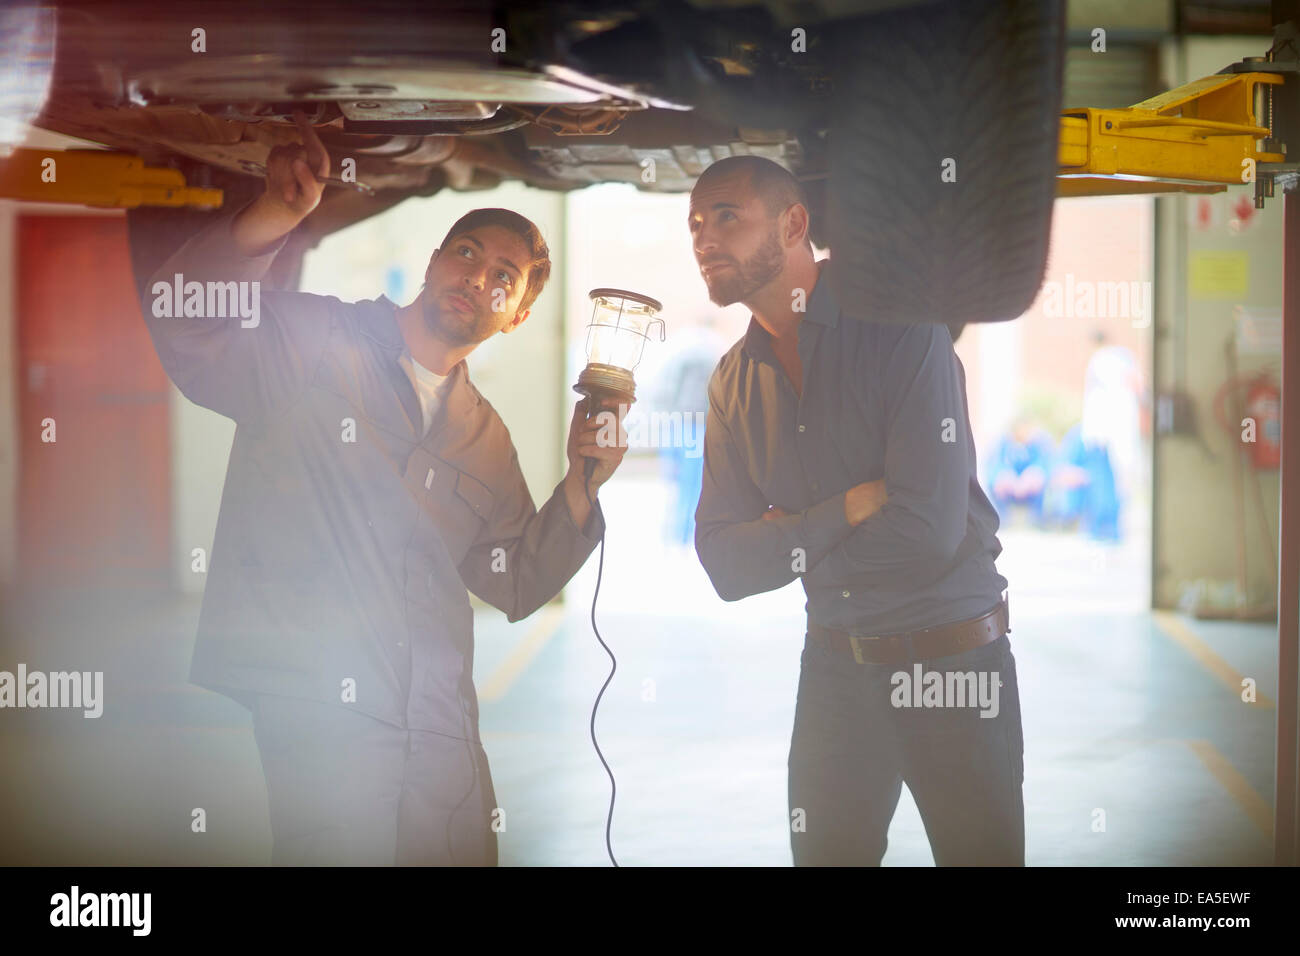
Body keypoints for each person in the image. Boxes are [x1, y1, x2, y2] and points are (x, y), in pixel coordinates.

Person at [139, 114, 628, 865]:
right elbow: (186, 321)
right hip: (318, 702)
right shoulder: (315, 342)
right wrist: (276, 217)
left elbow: (513, 578)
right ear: (434, 261)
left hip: (436, 718)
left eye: (505, 276)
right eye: (467, 254)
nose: (479, 279)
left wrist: (580, 486)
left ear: (519, 313)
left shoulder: (485, 435)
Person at [690, 155, 1023, 866]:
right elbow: (723, 562)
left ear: (794, 224)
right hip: (837, 670)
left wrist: (789, 537)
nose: (704, 239)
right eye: (695, 223)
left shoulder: (902, 328)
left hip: (952, 664)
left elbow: (927, 533)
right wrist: (844, 508)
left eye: (726, 217)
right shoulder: (731, 383)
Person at [987, 415, 1055, 528]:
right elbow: (992, 466)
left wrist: (1036, 473)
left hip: (1033, 490)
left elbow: (1049, 465)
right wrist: (1002, 475)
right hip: (1008, 488)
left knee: (1042, 482)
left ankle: (1039, 521)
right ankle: (1002, 520)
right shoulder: (1002, 442)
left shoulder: (1041, 442)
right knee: (995, 483)